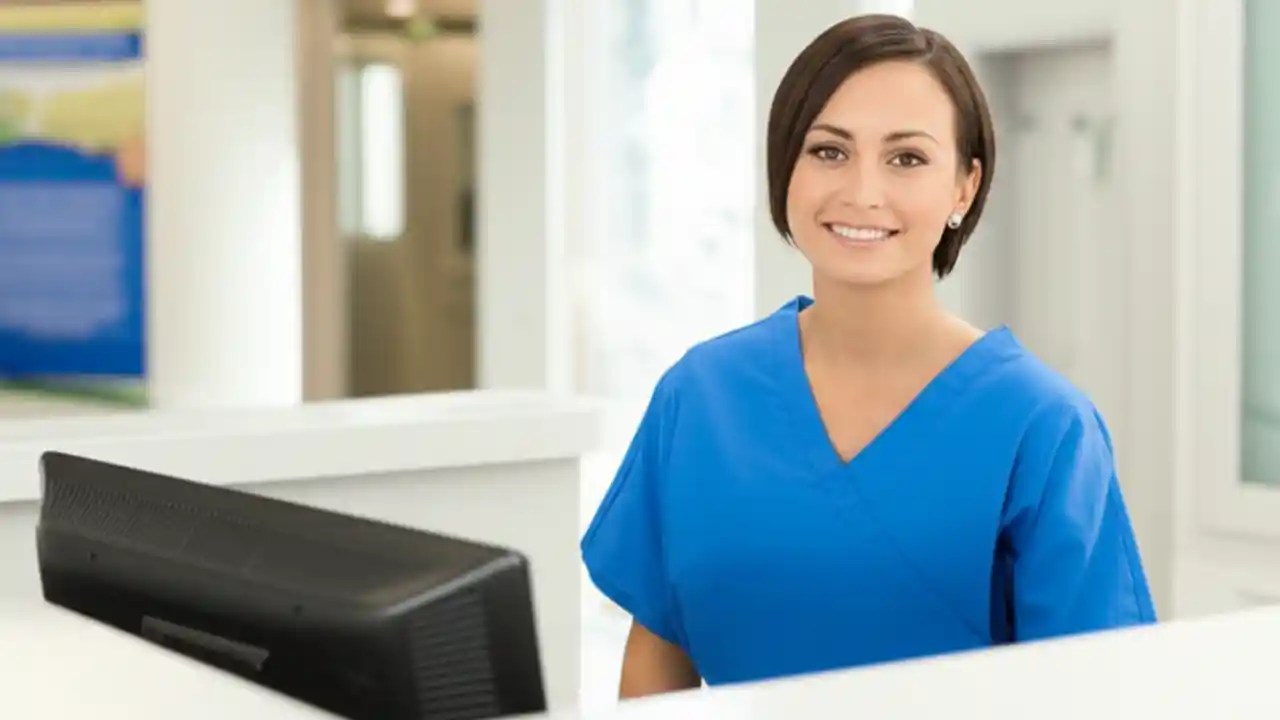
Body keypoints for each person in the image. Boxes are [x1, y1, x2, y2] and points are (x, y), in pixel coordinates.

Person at [580, 13, 1157, 699]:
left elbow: (1101, 696)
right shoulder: (700, 397)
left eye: (906, 158)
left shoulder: (1042, 427)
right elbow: (659, 654)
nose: (862, 191)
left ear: (964, 188)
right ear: (784, 166)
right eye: (828, 151)